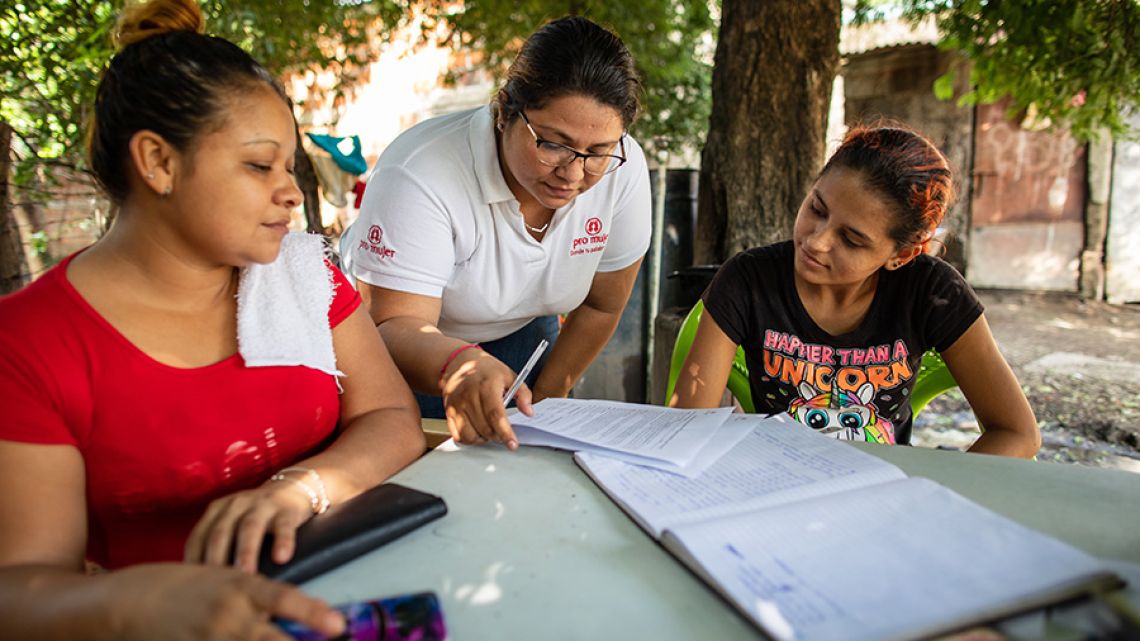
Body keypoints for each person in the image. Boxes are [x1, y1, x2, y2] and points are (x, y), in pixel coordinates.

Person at [0, 0, 425, 637]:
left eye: (289, 166)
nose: (289, 191)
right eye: (259, 165)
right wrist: (136, 604)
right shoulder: (31, 343)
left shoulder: (304, 277)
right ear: (159, 163)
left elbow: (393, 419)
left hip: (345, 598)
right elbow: (21, 587)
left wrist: (302, 486)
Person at [346, 16, 651, 450]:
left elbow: (602, 306)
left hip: (525, 334)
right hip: (409, 349)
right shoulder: (420, 172)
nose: (573, 172)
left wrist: (547, 405)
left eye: (597, 152)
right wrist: (460, 363)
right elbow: (393, 325)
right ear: (505, 109)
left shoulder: (625, 169)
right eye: (552, 143)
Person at [671, 126, 1041, 458]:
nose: (817, 242)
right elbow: (687, 425)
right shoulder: (748, 281)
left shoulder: (931, 292)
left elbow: (1017, 433)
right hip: (773, 485)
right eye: (817, 208)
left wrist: (927, 497)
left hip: (883, 497)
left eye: (851, 239)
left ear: (902, 255)